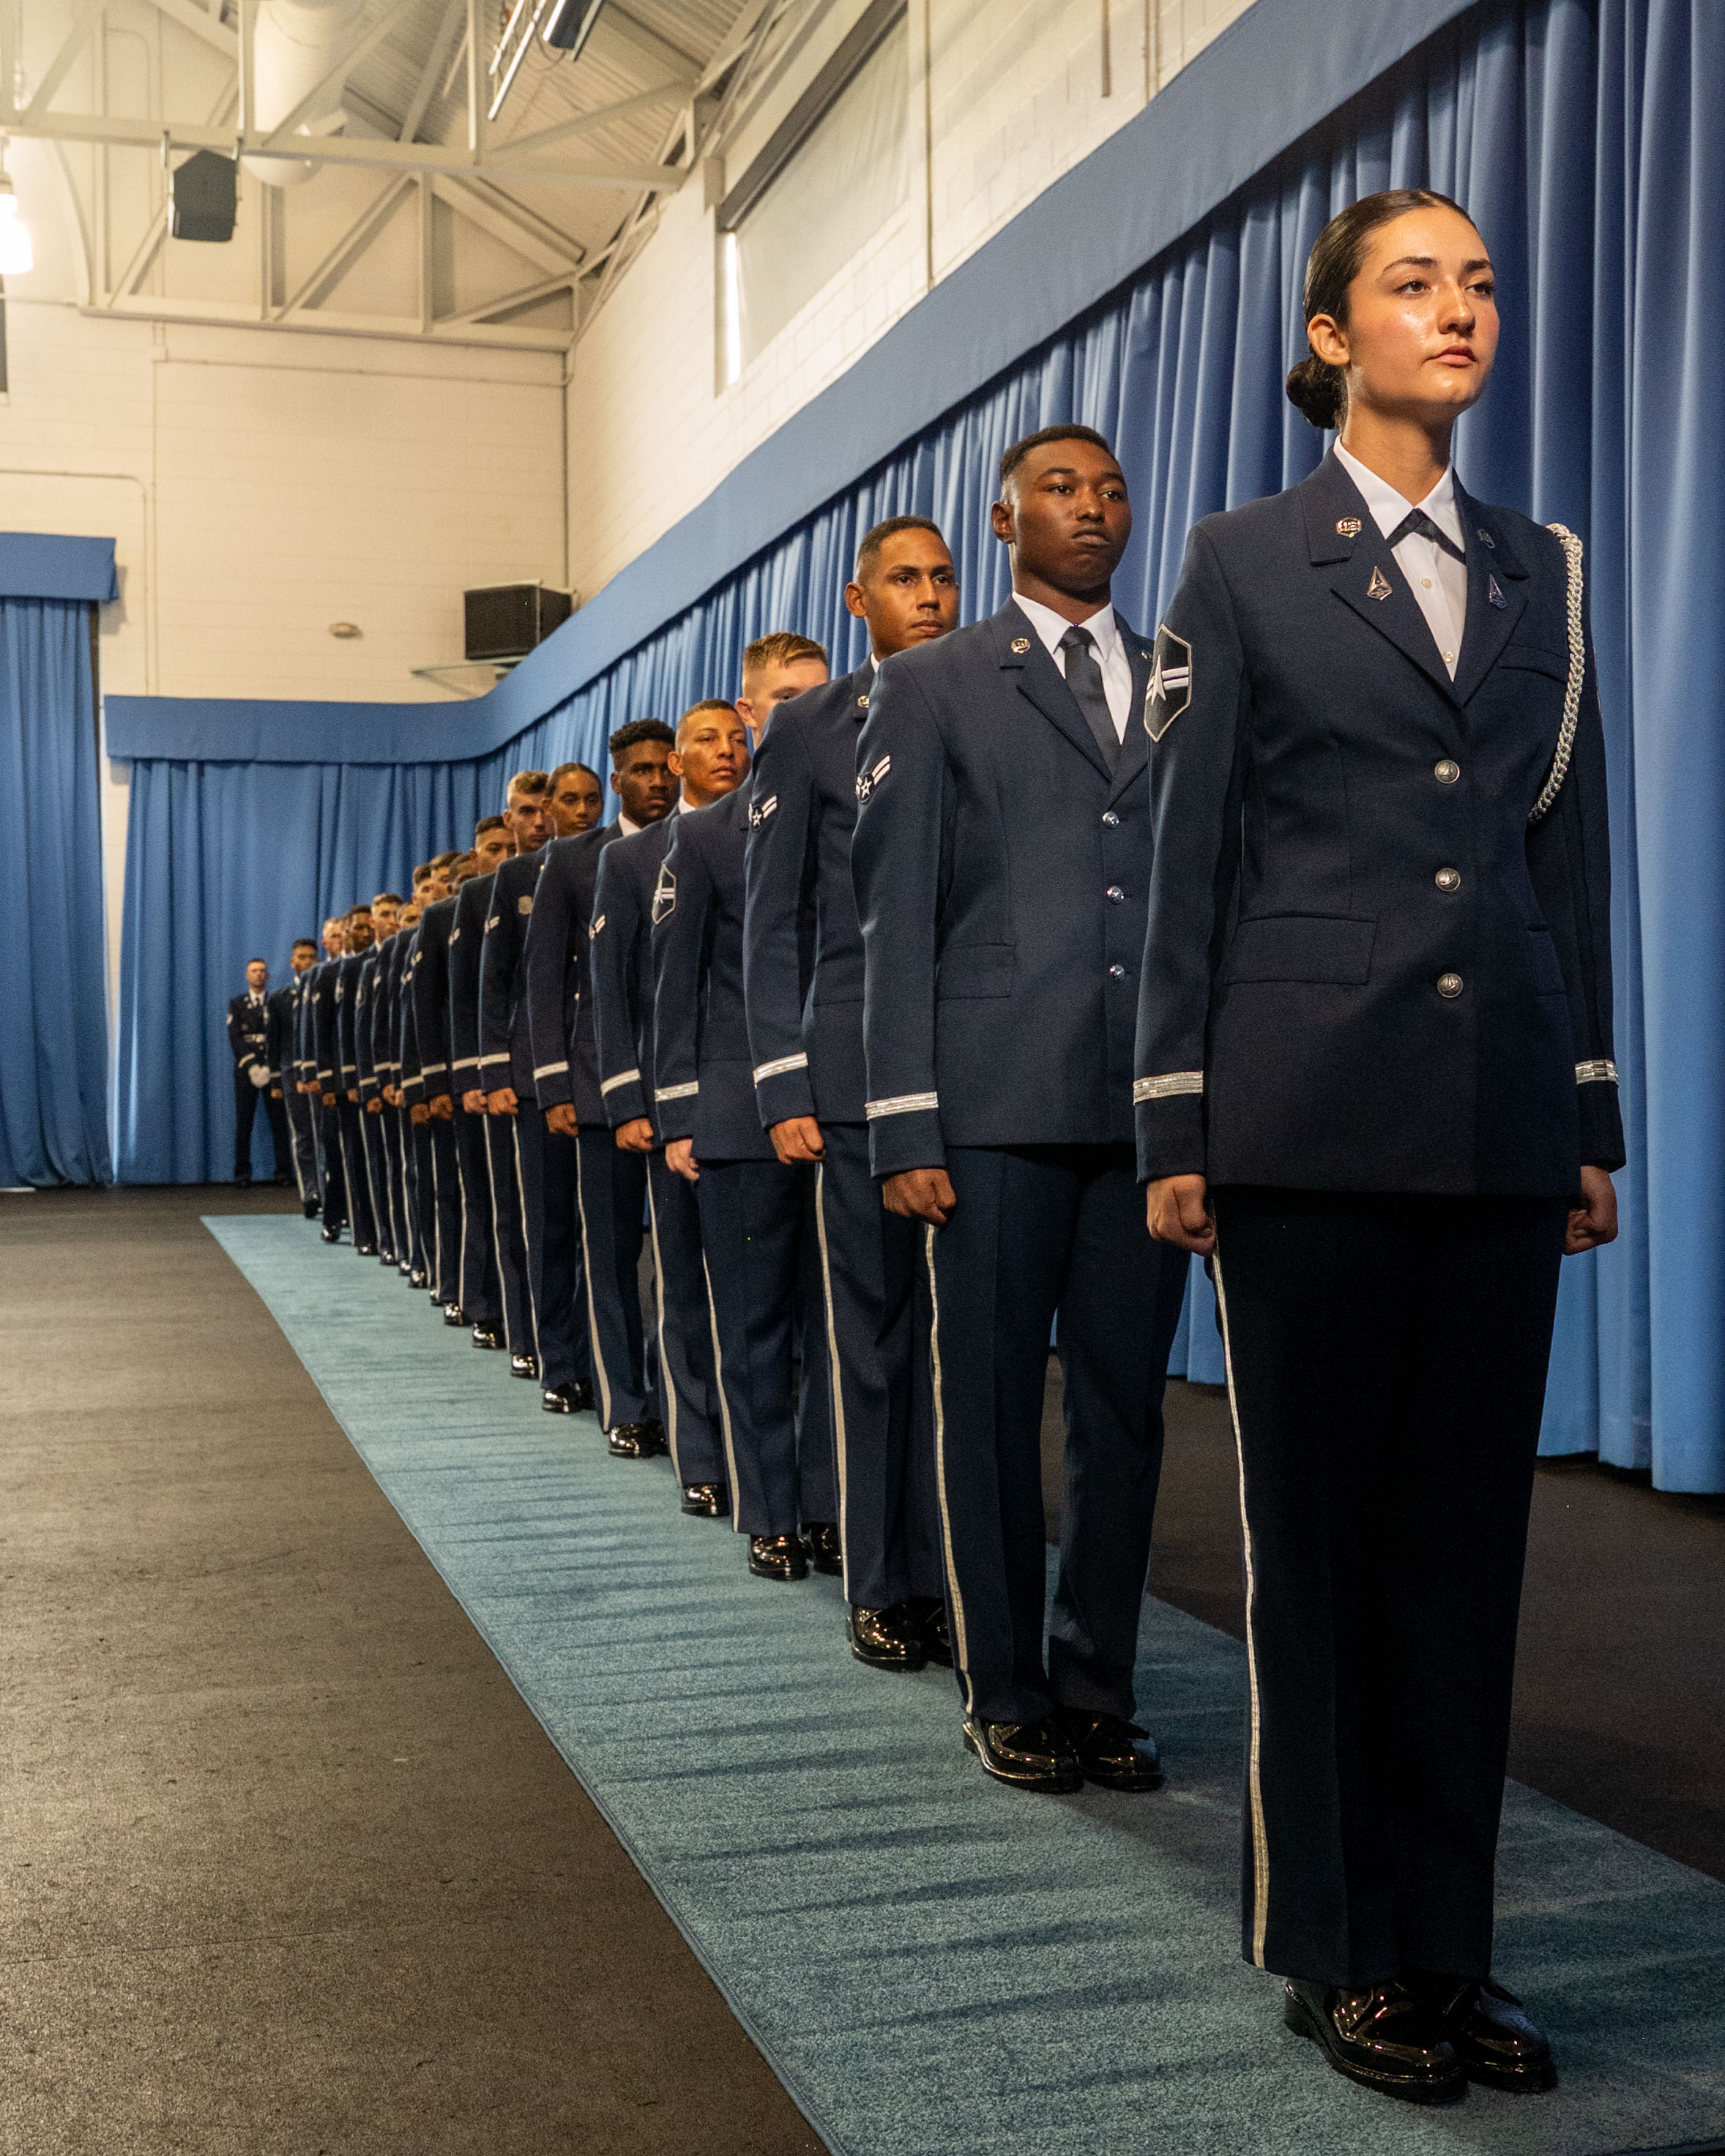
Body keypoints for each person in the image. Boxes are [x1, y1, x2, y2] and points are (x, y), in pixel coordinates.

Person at [1135, 190, 1621, 2105]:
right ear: (1330, 335)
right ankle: (1332, 1946)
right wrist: (1173, 1110)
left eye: (1478, 283)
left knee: (1461, 1561)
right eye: (1412, 284)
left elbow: (1560, 855)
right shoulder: (1242, 560)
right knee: (1323, 1557)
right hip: (1303, 1111)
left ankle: (1444, 1944)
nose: (1459, 309)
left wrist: (1579, 1109)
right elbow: (1188, 851)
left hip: (1492, 1111)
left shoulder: (1539, 569)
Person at [852, 425, 1189, 1796]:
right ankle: (1003, 1686)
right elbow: (894, 915)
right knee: (987, 1406)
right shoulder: (931, 683)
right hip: (988, 1107)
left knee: (1125, 1414)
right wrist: (904, 1120)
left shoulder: (1183, 675)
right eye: (1060, 489)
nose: (1092, 508)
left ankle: (1097, 1684)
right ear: (1003, 522)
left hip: (1144, 1109)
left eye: (1111, 489)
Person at [744, 519, 959, 1672]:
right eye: (904, 579)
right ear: (858, 599)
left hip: (978, 1067)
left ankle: (956, 1573)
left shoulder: (992, 693)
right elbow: (775, 916)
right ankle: (881, 1580)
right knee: (871, 1342)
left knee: (967, 1355)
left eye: (943, 578)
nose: (929, 596)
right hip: (854, 1077)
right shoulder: (811, 728)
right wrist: (785, 1077)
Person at [653, 640, 843, 1584]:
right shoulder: (704, 837)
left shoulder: (862, 806)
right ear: (750, 711)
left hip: (845, 1105)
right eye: (785, 697)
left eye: (818, 693)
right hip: (735, 1117)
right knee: (754, 1325)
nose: (804, 709)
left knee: (839, 1331)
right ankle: (769, 1509)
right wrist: (679, 1113)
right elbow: (675, 986)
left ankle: (830, 1504)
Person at [589, 715, 731, 1509]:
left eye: (736, 739)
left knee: (757, 1292)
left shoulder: (769, 828)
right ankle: (699, 1454)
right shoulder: (631, 858)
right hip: (671, 1097)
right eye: (707, 742)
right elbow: (612, 987)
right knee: (682, 1281)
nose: (727, 753)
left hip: (758, 1096)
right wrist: (626, 1098)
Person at [524, 723, 676, 1433]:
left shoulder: (698, 841)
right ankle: (623, 1402)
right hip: (594, 1087)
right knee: (610, 1253)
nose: (656, 780)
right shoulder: (572, 858)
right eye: (640, 770)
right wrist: (555, 1086)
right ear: (618, 781)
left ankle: (674, 1400)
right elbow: (545, 977)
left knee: (674, 1260)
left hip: (678, 1081)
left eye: (664, 767)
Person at [476, 773, 553, 1380]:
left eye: (543, 809)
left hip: (582, 1066)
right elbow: (485, 988)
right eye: (526, 811)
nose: (538, 821)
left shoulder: (598, 859)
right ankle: (525, 1333)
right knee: (522, 1213)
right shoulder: (504, 884)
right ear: (510, 816)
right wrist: (491, 1070)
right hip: (522, 1072)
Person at [450, 822, 513, 1350]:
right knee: (488, 1197)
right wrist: (470, 1074)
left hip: (541, 1066)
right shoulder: (468, 902)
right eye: (495, 849)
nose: (505, 856)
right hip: (486, 1072)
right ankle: (485, 1303)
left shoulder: (548, 872)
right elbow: (459, 998)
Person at [332, 906, 380, 1253]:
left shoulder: (387, 957)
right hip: (357, 1077)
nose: (364, 934)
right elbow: (344, 1029)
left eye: (368, 927)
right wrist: (349, 1078)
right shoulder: (348, 969)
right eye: (358, 928)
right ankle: (362, 1229)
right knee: (356, 1156)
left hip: (387, 1073)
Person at [227, 958, 291, 1186]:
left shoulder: (276, 1002)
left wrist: (270, 1065)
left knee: (279, 1122)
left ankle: (284, 1172)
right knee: (244, 1122)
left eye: (263, 971)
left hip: (273, 1069)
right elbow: (236, 1038)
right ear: (247, 975)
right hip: (247, 1071)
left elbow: (281, 1036)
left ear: (268, 975)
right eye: (254, 971)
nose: (259, 975)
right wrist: (252, 1064)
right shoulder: (237, 1004)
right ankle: (242, 1173)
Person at [270, 939, 321, 1215]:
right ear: (292, 962)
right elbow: (274, 1042)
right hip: (292, 1072)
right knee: (302, 1134)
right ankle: (310, 1192)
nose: (307, 962)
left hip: (322, 1072)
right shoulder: (280, 998)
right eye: (301, 957)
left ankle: (329, 1190)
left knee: (325, 1133)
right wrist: (276, 1080)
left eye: (312, 957)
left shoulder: (326, 988)